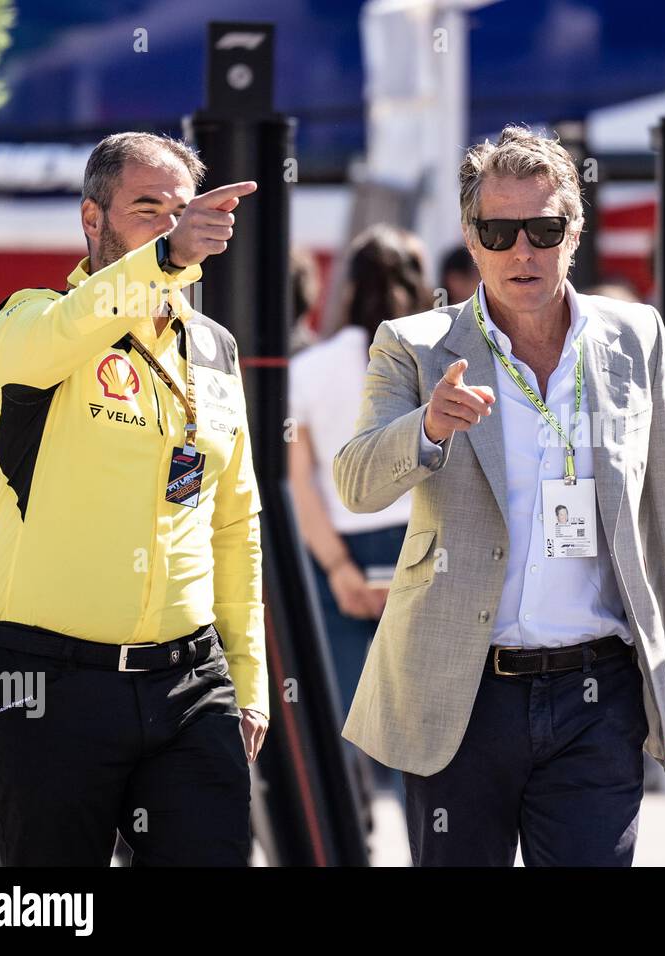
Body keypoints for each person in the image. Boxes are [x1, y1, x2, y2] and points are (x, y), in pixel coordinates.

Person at [334, 124, 665, 866]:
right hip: (460, 691)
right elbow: (355, 481)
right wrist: (428, 427)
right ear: (471, 237)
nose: (523, 250)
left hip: (597, 695)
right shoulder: (415, 346)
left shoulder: (634, 335)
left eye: (544, 229)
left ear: (573, 233)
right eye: (500, 229)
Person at [0, 132, 268, 866]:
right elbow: (65, 332)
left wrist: (250, 682)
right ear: (92, 219)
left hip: (190, 682)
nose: (171, 228)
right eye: (147, 210)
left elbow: (234, 526)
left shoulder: (216, 350)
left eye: (181, 212)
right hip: (46, 680)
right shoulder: (34, 320)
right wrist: (162, 263)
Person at [287, 223, 432, 803]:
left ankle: (352, 844)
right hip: (423, 545)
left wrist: (339, 568)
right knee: (423, 736)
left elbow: (300, 481)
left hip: (337, 552)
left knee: (346, 730)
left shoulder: (310, 368)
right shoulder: (439, 362)